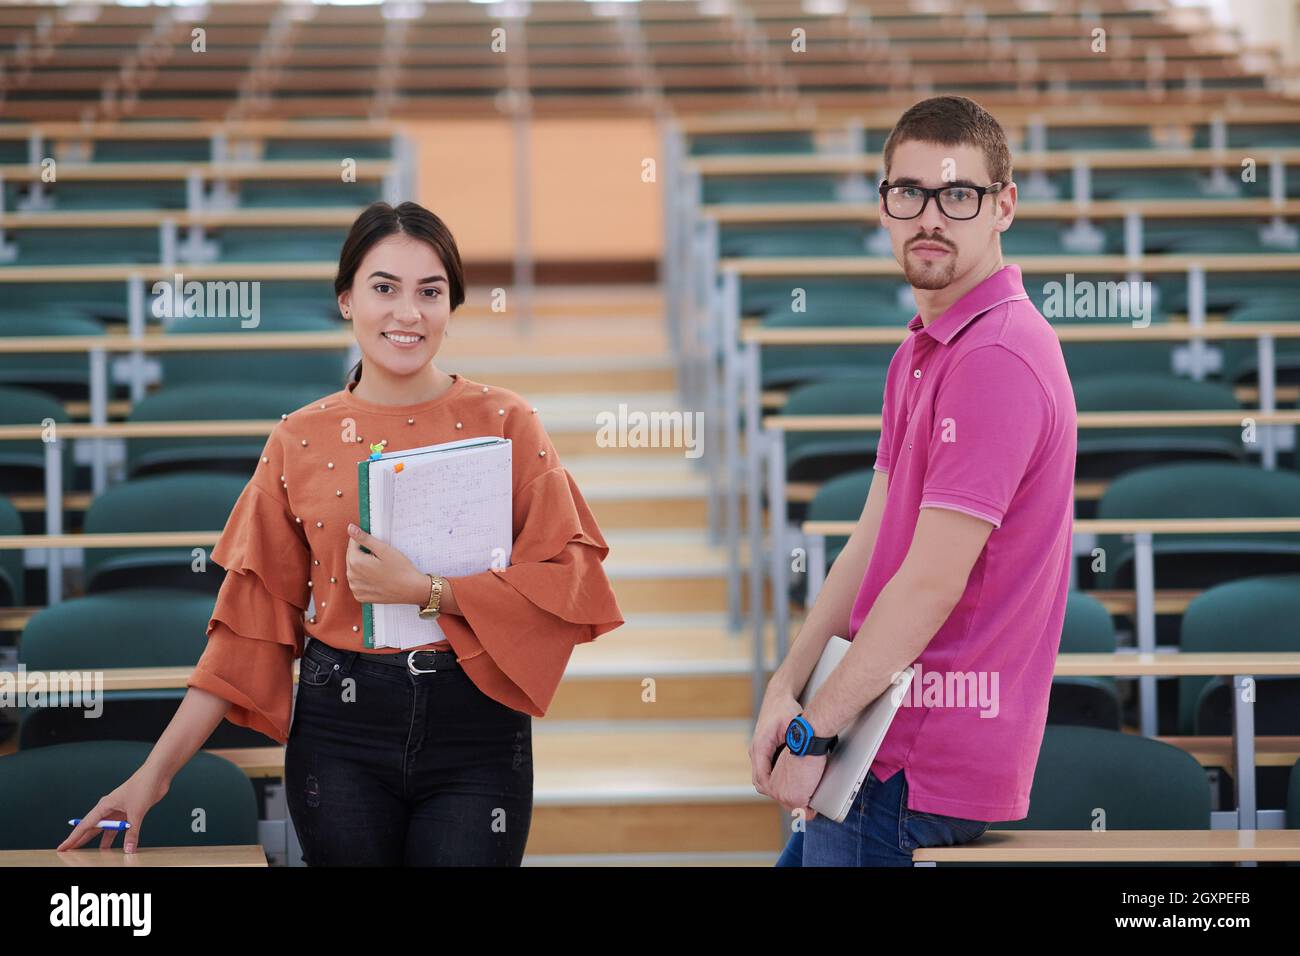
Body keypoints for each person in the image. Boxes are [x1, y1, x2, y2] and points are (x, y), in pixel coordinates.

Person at [59, 200, 624, 865]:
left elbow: (570, 577)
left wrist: (429, 590)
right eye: (384, 288)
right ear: (347, 300)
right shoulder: (298, 438)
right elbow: (247, 624)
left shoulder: (506, 420)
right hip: (341, 732)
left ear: (451, 306)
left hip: (477, 730)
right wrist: (151, 778)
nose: (407, 313)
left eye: (430, 292)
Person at [751, 95, 1078, 866]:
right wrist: (786, 687)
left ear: (1003, 206)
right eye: (910, 193)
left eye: (957, 195)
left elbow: (929, 586)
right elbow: (868, 543)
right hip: (871, 746)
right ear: (885, 205)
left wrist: (814, 728)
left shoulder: (996, 356)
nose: (931, 217)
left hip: (911, 766)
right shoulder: (924, 350)